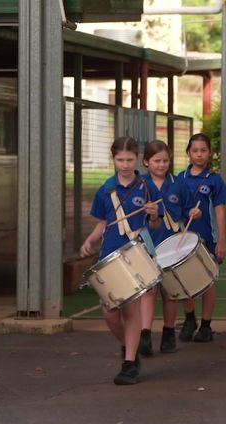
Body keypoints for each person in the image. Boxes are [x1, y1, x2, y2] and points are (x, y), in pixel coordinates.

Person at [79, 136, 159, 385]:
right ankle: (129, 347)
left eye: (129, 159)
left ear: (137, 159)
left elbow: (155, 223)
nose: (125, 164)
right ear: (113, 159)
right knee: (109, 312)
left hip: (135, 254)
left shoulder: (146, 187)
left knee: (130, 309)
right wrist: (90, 240)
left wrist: (154, 214)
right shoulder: (106, 189)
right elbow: (103, 223)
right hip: (110, 255)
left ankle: (129, 363)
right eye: (120, 160)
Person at [138, 140, 198, 356]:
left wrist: (194, 212)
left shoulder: (179, 184)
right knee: (148, 290)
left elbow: (189, 205)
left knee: (170, 292)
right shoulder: (140, 184)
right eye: (156, 161)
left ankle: (168, 332)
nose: (162, 165)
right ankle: (144, 333)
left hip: (174, 244)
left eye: (165, 161)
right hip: (147, 244)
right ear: (146, 162)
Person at [175, 133, 226, 344]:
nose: (199, 154)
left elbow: (220, 212)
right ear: (188, 153)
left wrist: (222, 241)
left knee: (208, 282)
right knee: (184, 280)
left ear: (210, 153)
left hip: (208, 239)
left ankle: (206, 325)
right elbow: (173, 206)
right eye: (195, 150)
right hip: (183, 238)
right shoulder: (179, 178)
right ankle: (190, 319)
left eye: (203, 150)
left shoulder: (215, 180)